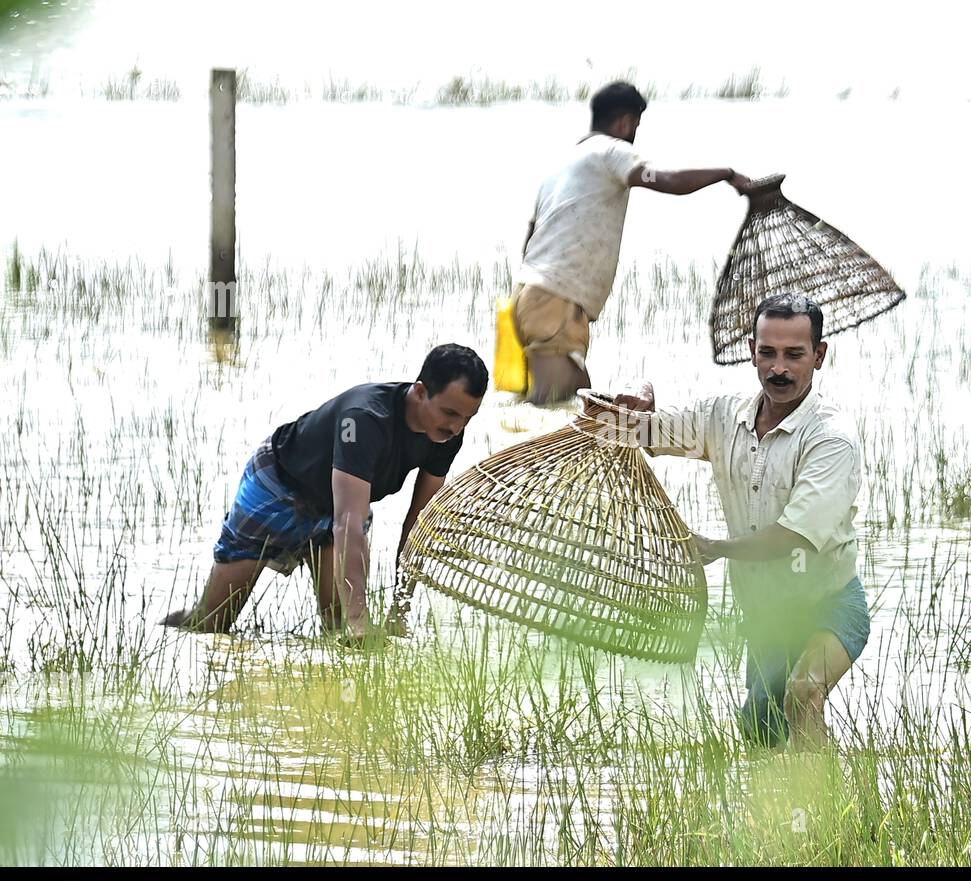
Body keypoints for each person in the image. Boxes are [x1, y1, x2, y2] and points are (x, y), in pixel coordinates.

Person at [600, 293, 868, 748]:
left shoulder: (830, 438)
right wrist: (637, 407)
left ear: (818, 356)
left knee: (804, 694)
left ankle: (830, 812)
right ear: (752, 351)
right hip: (765, 617)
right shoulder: (725, 417)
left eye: (794, 355)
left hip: (829, 602)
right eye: (768, 353)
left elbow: (792, 537)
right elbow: (639, 429)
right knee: (762, 734)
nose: (778, 368)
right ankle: (803, 812)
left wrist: (716, 549)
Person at [162, 344, 487, 644]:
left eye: (467, 418)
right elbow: (349, 523)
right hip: (277, 489)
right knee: (210, 627)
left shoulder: (446, 437)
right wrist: (362, 620)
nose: (457, 427)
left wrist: (398, 612)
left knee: (339, 634)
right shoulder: (364, 419)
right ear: (420, 392)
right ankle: (158, 633)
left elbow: (419, 527)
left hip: (334, 512)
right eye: (449, 413)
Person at [516, 81, 754, 404]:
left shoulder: (565, 164)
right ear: (626, 122)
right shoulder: (612, 151)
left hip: (535, 295)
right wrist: (726, 173)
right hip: (556, 298)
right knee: (548, 407)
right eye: (636, 127)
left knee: (581, 404)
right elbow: (667, 180)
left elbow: (531, 235)